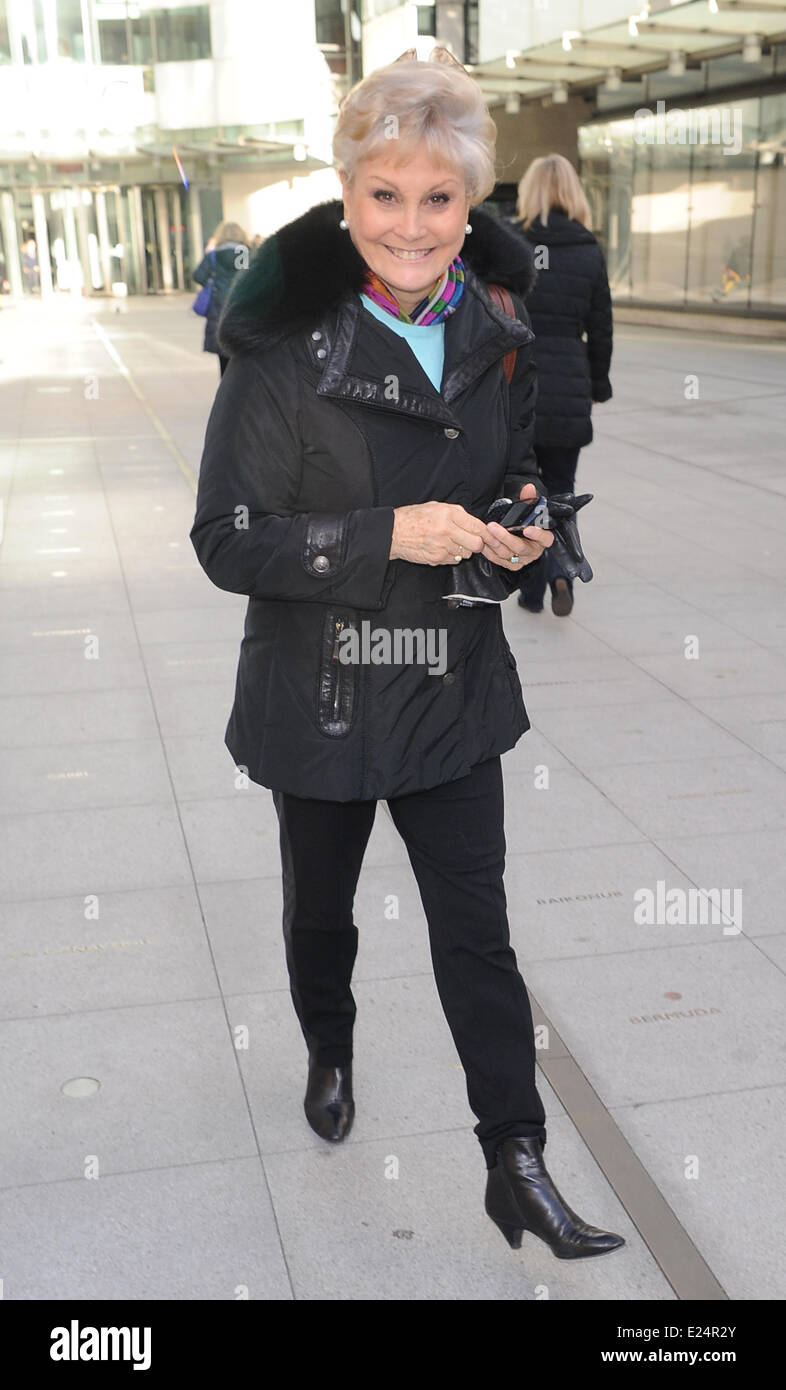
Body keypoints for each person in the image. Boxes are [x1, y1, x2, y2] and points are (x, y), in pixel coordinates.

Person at [190, 51, 625, 1262]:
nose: (413, 227)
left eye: (440, 199)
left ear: (470, 202)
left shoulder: (497, 322)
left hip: (450, 685)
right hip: (320, 691)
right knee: (320, 914)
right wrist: (389, 533)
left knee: (476, 933)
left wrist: (525, 529)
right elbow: (225, 538)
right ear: (345, 192)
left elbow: (520, 465)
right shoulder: (280, 346)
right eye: (386, 194)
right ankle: (329, 1042)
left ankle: (515, 1157)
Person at [512, 154, 613, 617]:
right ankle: (560, 572)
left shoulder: (514, 243)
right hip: (569, 379)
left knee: (523, 487)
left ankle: (531, 588)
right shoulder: (589, 250)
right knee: (561, 488)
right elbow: (602, 327)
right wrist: (598, 384)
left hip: (520, 384)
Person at [192, 221, 249, 375]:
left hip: (219, 306)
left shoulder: (214, 256)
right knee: (242, 354)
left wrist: (213, 281)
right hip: (241, 307)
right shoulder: (245, 253)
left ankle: (226, 389)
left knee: (223, 352)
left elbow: (198, 275)